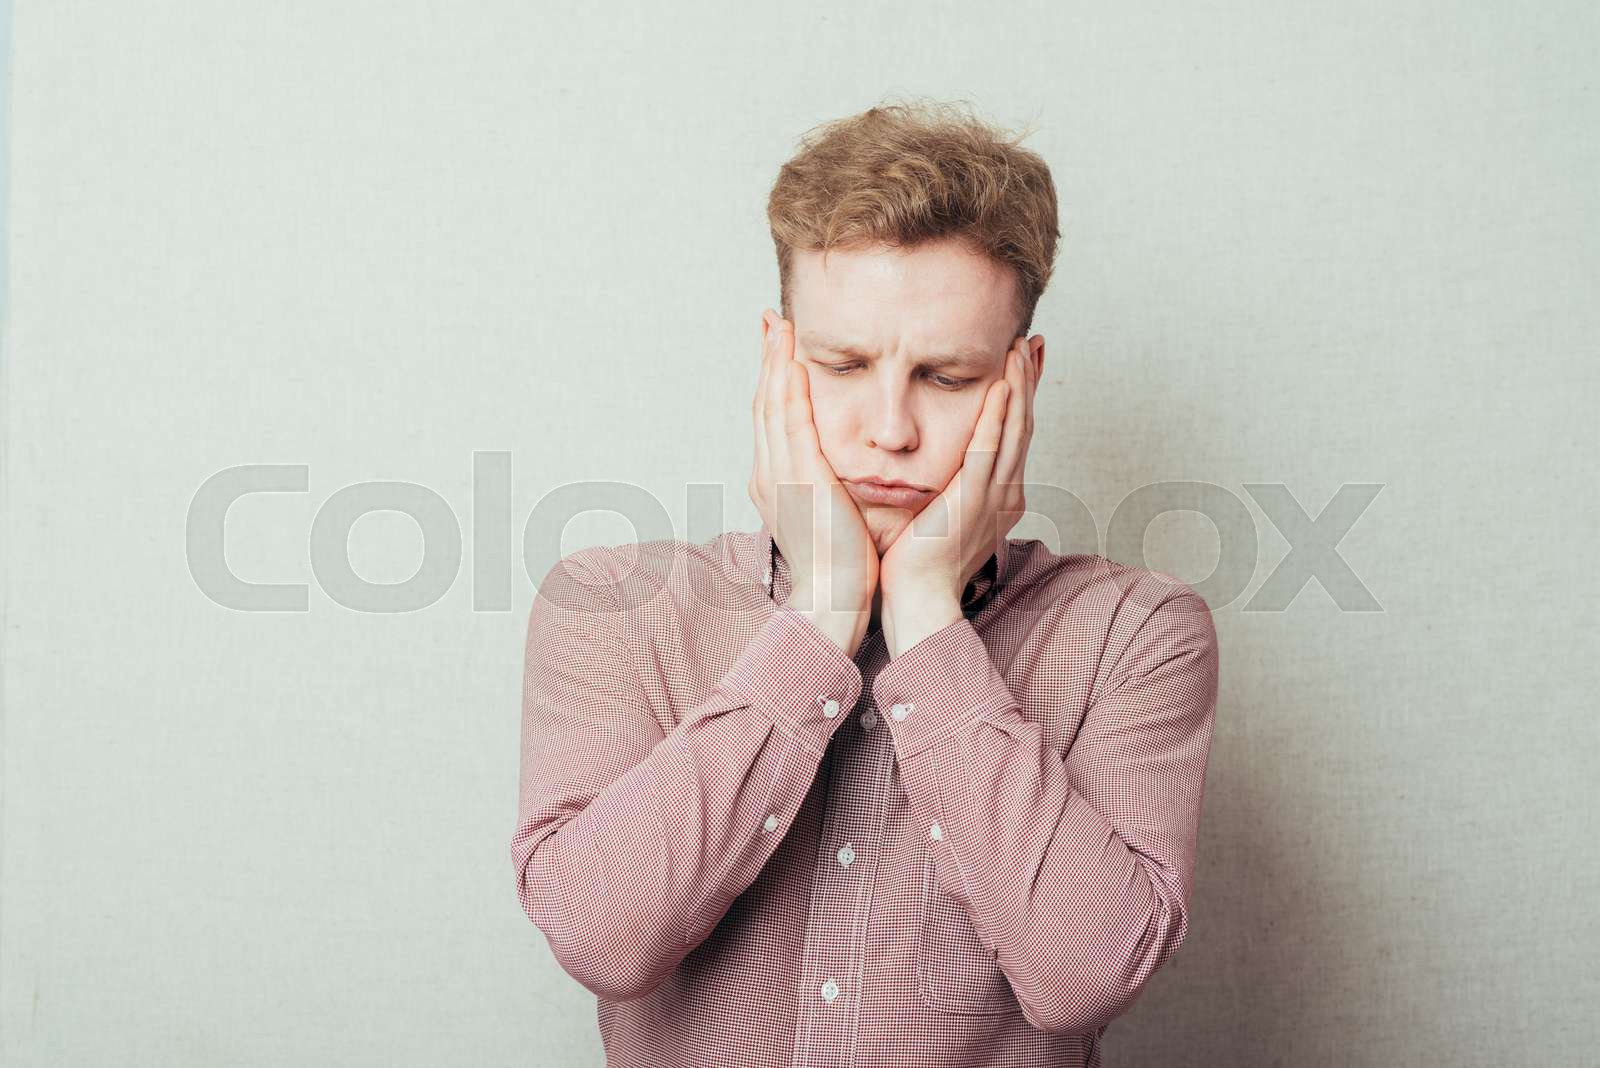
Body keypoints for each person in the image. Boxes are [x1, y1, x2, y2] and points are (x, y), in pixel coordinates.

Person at [510, 99, 1220, 1068]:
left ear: (1023, 380)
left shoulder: (1137, 634)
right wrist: (821, 613)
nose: (889, 430)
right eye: (842, 365)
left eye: (948, 377)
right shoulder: (612, 607)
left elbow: (1083, 975)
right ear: (777, 358)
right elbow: (603, 940)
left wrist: (926, 615)